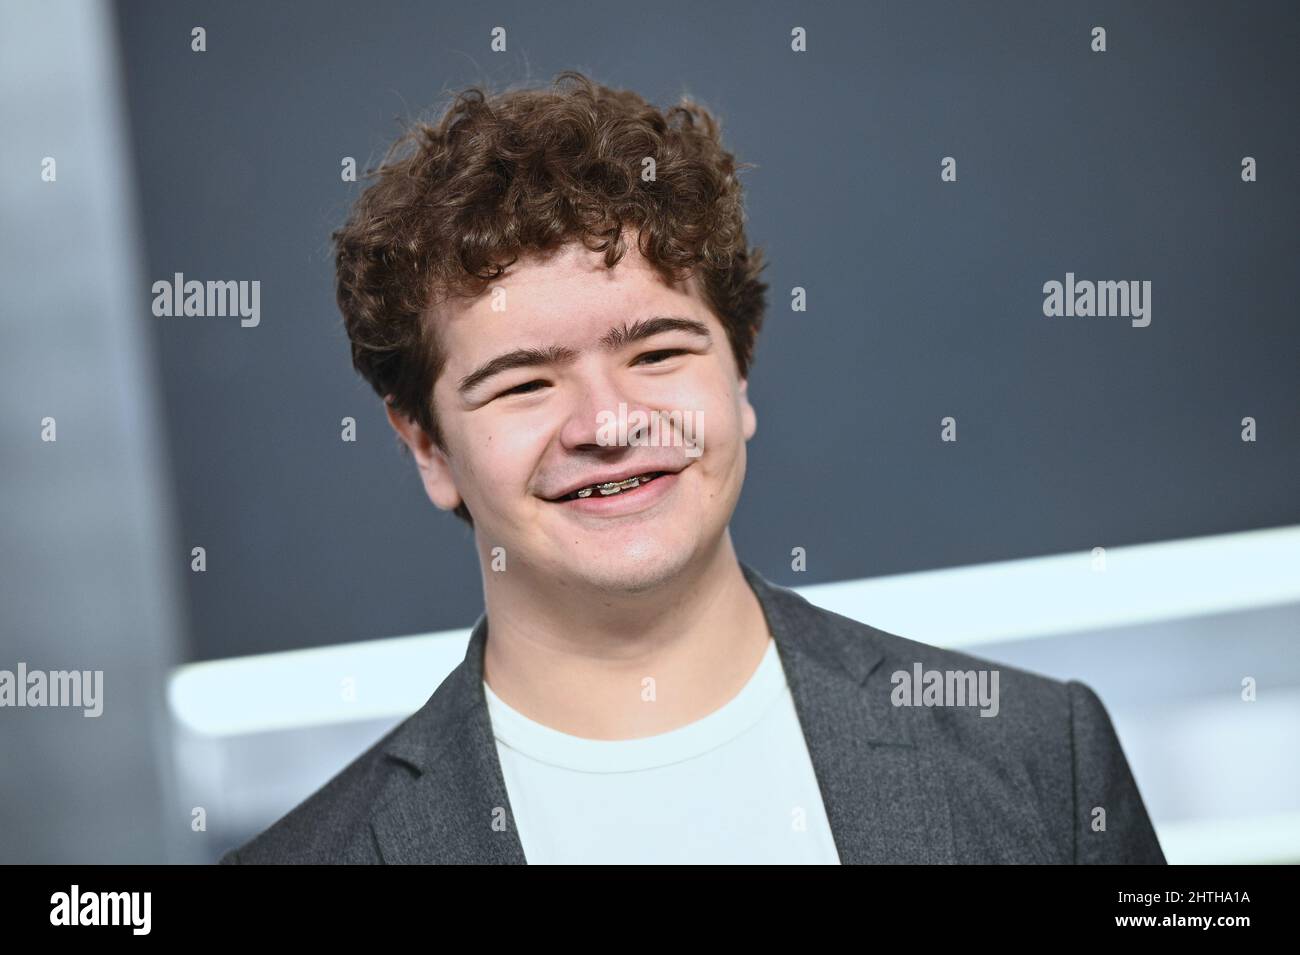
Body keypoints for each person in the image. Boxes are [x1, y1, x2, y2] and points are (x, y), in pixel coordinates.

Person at [220, 70, 1165, 864]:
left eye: (657, 353)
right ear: (428, 447)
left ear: (739, 372)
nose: (609, 422)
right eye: (523, 384)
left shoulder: (1044, 762)